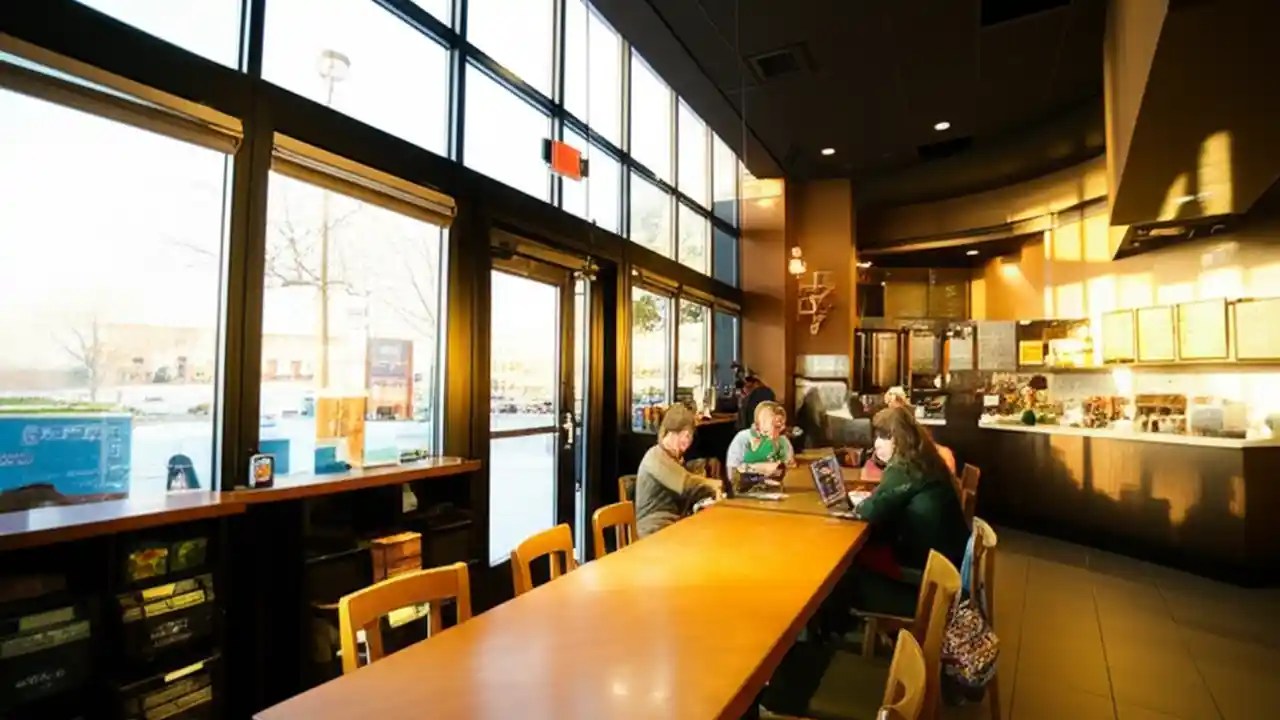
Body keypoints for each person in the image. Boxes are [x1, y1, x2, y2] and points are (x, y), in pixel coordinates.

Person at [846, 406, 969, 616]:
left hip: (926, 579)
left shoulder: (904, 467)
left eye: (883, 437)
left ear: (897, 438)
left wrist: (858, 505)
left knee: (846, 571)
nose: (876, 444)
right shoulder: (925, 459)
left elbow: (870, 512)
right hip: (946, 564)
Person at [635, 405, 723, 538]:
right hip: (653, 531)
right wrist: (711, 484)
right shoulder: (655, 456)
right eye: (685, 436)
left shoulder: (675, 459)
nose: (687, 442)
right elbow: (684, 483)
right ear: (671, 432)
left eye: (690, 437)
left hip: (673, 526)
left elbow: (691, 489)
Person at [725, 401, 796, 476]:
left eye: (779, 426)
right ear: (758, 425)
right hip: (748, 485)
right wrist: (761, 468)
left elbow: (790, 469)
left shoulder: (783, 441)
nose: (782, 427)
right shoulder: (742, 439)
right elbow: (732, 475)